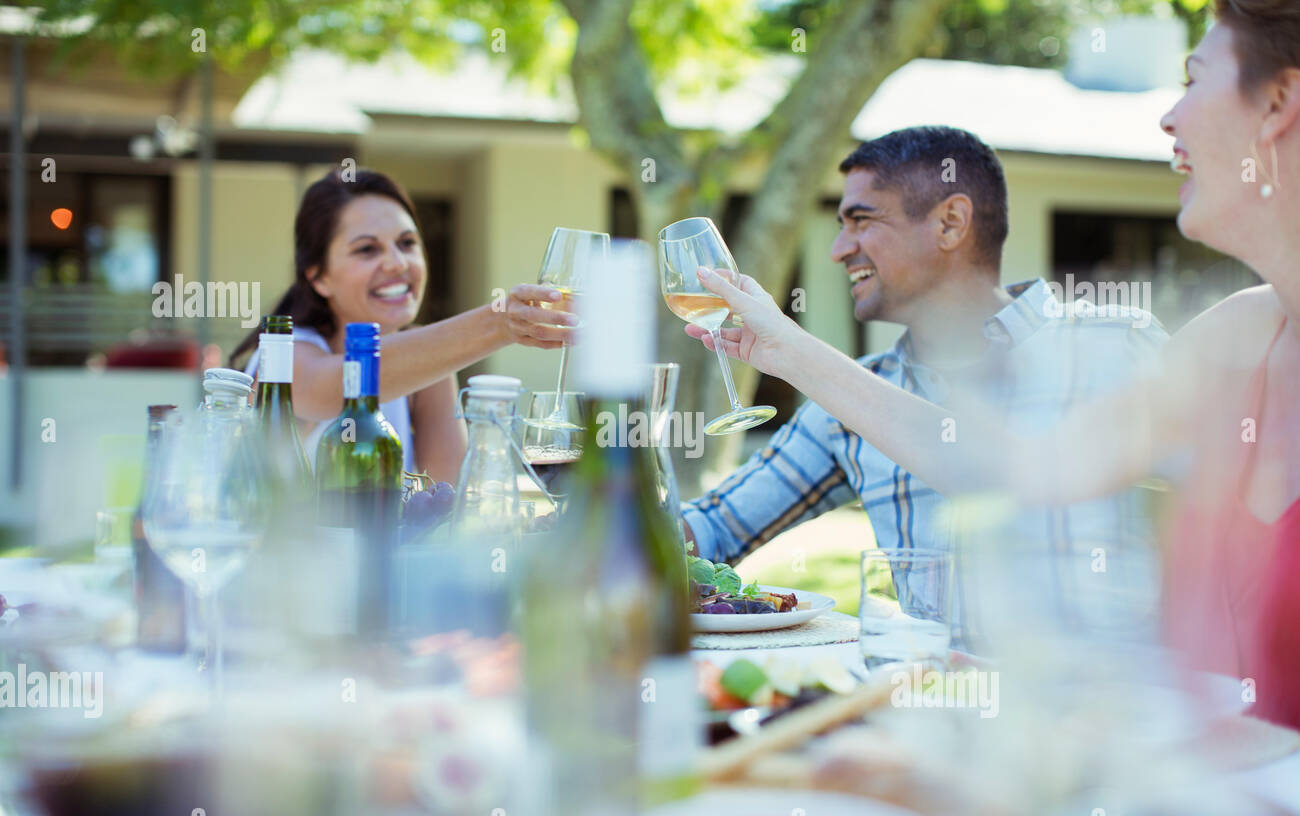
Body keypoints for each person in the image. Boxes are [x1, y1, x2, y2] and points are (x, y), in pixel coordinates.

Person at [685, 1, 1300, 723]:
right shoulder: (1233, 338)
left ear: (1279, 105)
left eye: (1194, 79)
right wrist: (781, 349)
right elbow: (1015, 471)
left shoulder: (1123, 343)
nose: (1168, 118)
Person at [681, 125, 1167, 641]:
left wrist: (794, 353)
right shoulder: (848, 400)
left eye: (862, 221)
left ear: (950, 223)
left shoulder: (1116, 345)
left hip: (1105, 711)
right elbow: (712, 529)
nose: (838, 249)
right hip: (933, 707)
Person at [230, 168, 572, 481]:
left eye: (407, 243)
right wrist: (500, 324)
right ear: (318, 277)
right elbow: (340, 386)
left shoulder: (428, 367)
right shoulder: (282, 355)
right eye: (367, 249)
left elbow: (444, 503)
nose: (397, 263)